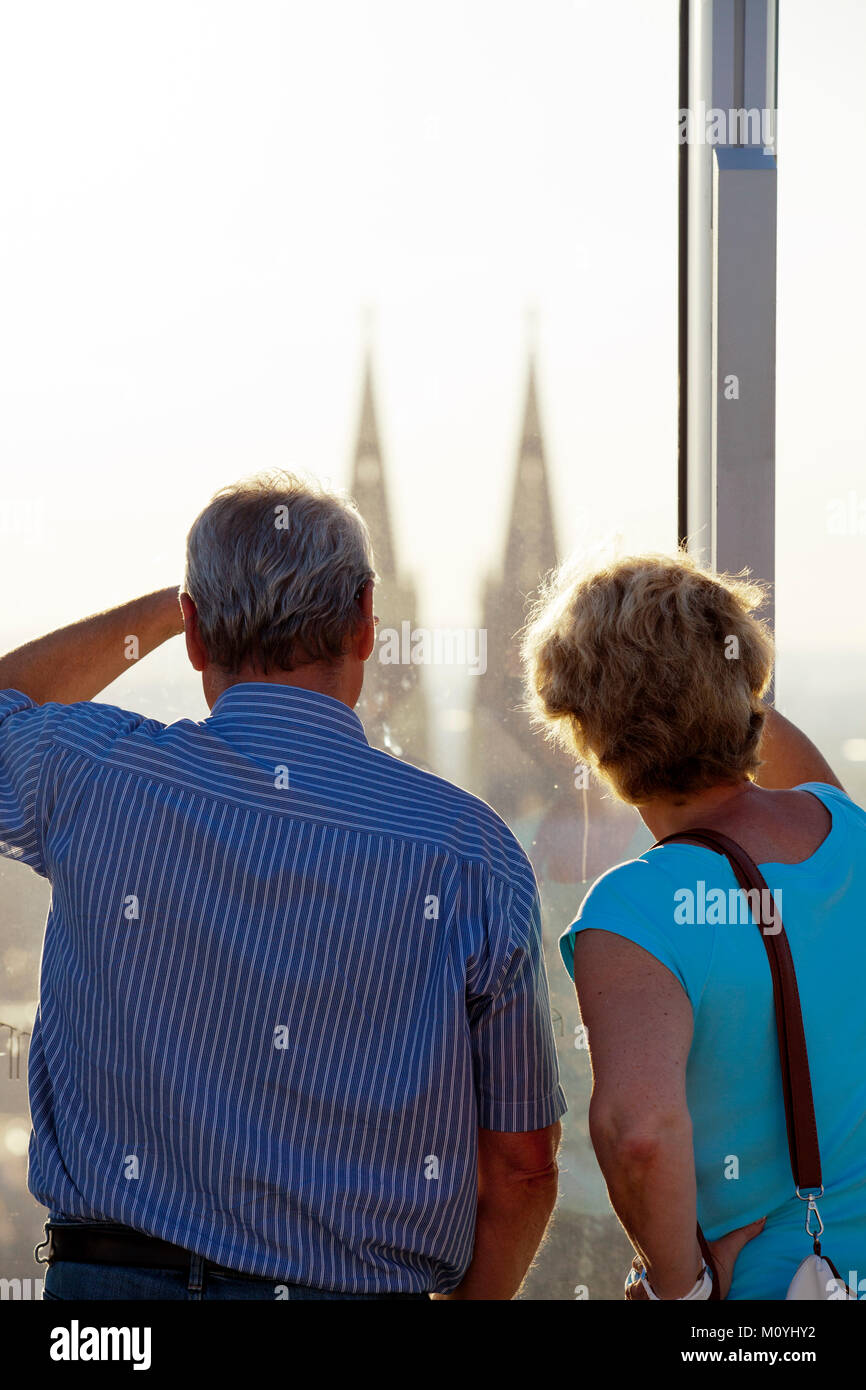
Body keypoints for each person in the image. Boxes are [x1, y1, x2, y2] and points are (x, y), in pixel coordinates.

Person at [0, 471, 566, 1301]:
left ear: (194, 634)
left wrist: (179, 603)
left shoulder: (95, 775)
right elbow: (522, 1166)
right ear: (368, 621)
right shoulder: (470, 852)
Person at [523, 550, 866, 1300]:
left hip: (773, 1289)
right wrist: (705, 664)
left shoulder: (637, 911)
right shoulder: (847, 831)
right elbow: (772, 740)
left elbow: (639, 1136)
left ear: (585, 730)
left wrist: (679, 1290)